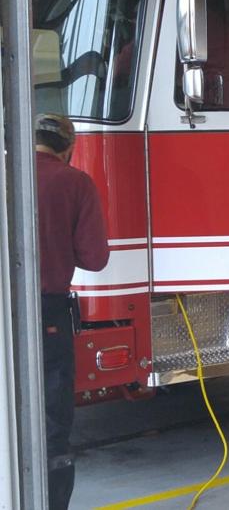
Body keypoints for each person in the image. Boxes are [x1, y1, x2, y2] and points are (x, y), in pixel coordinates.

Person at [35, 113, 109, 509]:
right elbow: (95, 258)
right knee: (52, 422)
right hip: (49, 315)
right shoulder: (75, 183)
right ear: (68, 148)